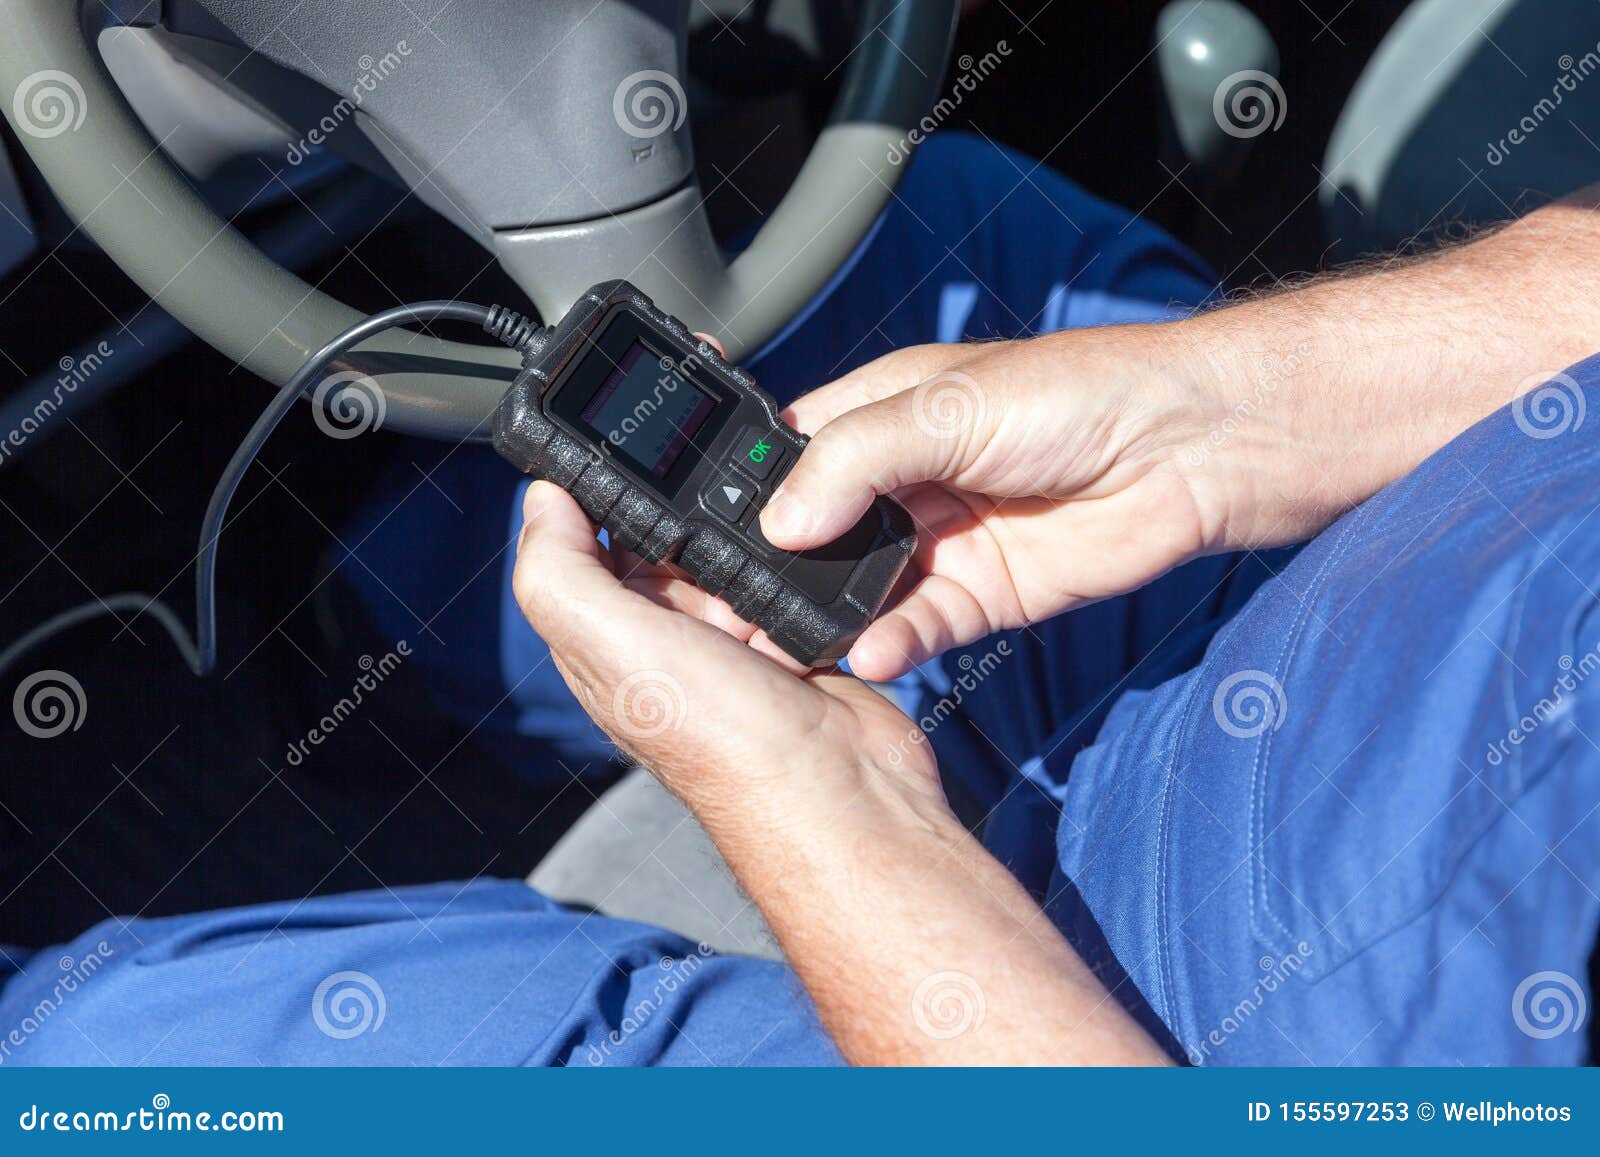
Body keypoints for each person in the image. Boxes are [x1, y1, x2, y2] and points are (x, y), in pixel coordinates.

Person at [4, 132, 1598, 1066]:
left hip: (1176, 1033)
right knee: (941, 242)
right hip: (1366, 580)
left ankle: (346, 668)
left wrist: (837, 822)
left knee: (95, 1065)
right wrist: (1214, 418)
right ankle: (352, 640)